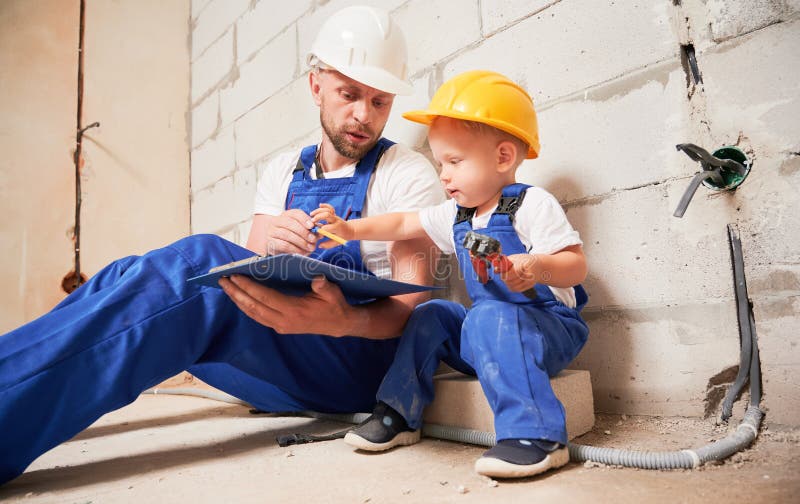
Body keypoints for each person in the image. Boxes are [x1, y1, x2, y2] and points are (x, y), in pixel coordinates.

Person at [0, 5, 443, 484]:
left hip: (358, 366)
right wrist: (273, 243)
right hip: (283, 360)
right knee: (127, 274)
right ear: (316, 86)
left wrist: (342, 318)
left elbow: (411, 310)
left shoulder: (407, 175)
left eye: (380, 101)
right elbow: (245, 274)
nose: (363, 115)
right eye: (349, 93)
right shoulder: (283, 173)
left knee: (198, 264)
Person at [312, 70, 590, 478]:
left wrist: (536, 267)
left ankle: (536, 436)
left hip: (546, 331)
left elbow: (576, 264)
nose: (443, 175)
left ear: (503, 157)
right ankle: (397, 414)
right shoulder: (456, 214)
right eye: (440, 162)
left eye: (454, 162)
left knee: (495, 315)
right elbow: (404, 224)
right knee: (432, 314)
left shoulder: (531, 204)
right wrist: (351, 229)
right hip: (485, 331)